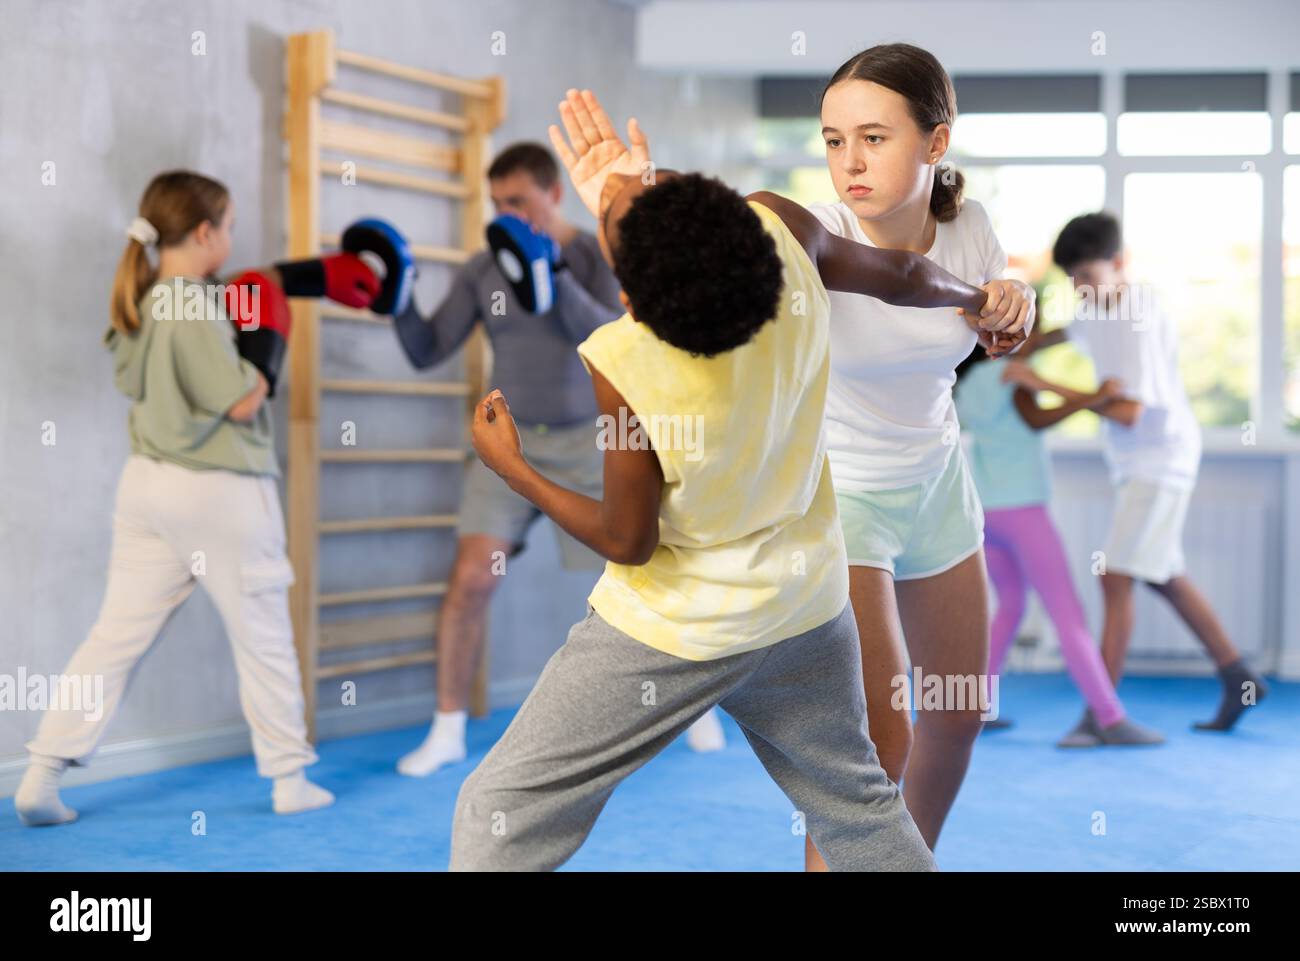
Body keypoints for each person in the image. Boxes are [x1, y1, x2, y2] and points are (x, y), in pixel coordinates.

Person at [447, 88, 1014, 871]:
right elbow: (907, 275)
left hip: (677, 632)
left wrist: (515, 469)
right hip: (803, 610)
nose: (616, 196)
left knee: (498, 808)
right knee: (861, 811)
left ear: (633, 298)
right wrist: (979, 298)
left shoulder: (628, 360)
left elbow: (627, 538)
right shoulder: (786, 240)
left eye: (618, 218)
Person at [14, 170, 369, 825]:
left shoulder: (143, 296)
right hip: (221, 490)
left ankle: (40, 776)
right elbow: (240, 401)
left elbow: (132, 374)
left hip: (147, 488)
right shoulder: (194, 305)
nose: (232, 239)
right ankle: (290, 781)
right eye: (228, 227)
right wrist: (268, 345)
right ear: (203, 233)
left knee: (113, 637)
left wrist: (284, 283)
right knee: (262, 637)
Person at [395, 143, 728, 779]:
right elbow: (426, 349)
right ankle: (446, 730)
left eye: (518, 201)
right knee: (471, 579)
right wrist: (397, 298)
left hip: (591, 442)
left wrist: (550, 276)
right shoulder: (481, 268)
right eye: (497, 205)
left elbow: (620, 337)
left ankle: (693, 707)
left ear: (552, 195)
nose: (507, 216)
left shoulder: (591, 254)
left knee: (646, 582)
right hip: (508, 440)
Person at [805, 43, 1034, 865]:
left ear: (936, 144)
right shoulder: (816, 236)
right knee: (875, 737)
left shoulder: (971, 229)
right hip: (845, 497)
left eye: (873, 137)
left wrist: (1019, 303)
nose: (849, 162)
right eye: (834, 140)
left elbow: (1001, 330)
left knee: (959, 708)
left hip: (937, 483)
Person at [1049, 212, 1268, 735]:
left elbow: (1128, 412)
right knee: (1163, 576)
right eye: (1072, 279)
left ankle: (1102, 716)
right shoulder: (1098, 307)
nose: (1079, 289)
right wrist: (1008, 339)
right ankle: (1239, 676)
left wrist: (1048, 386)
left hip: (1160, 459)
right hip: (1140, 463)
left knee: (1115, 576)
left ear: (1120, 265)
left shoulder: (1135, 314)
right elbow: (1063, 333)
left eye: (1087, 276)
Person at [953, 330, 1165, 746]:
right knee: (1067, 613)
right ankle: (1108, 716)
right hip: (1023, 510)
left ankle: (978, 707)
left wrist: (1083, 391)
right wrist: (1096, 396)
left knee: (1011, 605)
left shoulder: (963, 382)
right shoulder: (1010, 373)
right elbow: (1037, 417)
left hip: (984, 510)